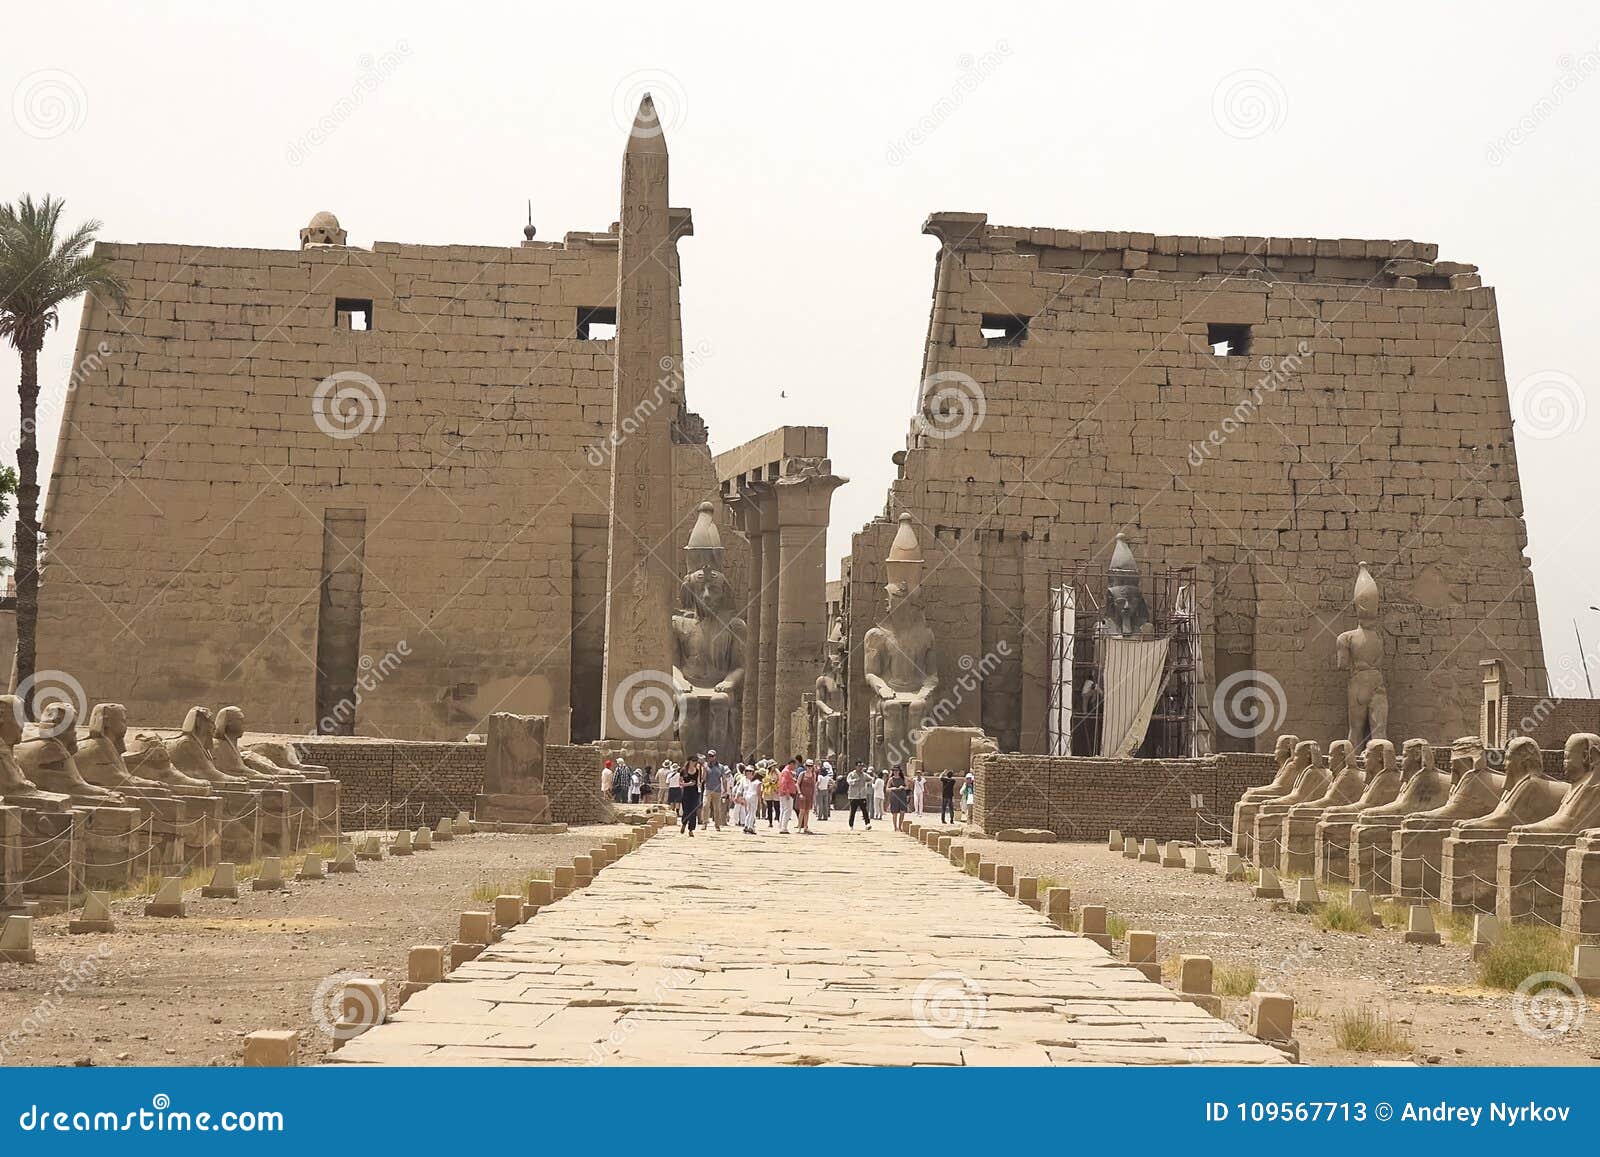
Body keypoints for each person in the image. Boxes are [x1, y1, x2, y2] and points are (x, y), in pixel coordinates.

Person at [703, 749, 726, 832]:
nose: (710, 757)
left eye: (712, 756)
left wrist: (725, 789)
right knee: (705, 805)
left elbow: (723, 779)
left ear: (715, 757)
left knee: (717, 808)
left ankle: (717, 825)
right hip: (708, 789)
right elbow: (704, 779)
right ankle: (704, 823)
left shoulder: (721, 767)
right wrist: (705, 770)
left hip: (717, 790)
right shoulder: (706, 766)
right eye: (709, 756)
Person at [679, 757, 703, 836]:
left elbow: (699, 781)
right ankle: (684, 823)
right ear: (689, 761)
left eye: (695, 761)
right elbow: (680, 783)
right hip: (686, 792)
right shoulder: (683, 771)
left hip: (695, 793)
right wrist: (688, 784)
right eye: (693, 761)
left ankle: (691, 829)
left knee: (693, 811)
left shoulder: (697, 771)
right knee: (686, 810)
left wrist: (699, 784)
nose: (694, 762)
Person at [846, 763, 872, 829]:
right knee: (853, 811)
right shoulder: (851, 774)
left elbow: (871, 779)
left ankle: (867, 824)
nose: (860, 768)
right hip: (853, 796)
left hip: (862, 795)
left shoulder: (864, 775)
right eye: (859, 766)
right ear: (856, 767)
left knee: (864, 810)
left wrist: (868, 781)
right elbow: (849, 781)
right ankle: (851, 825)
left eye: (861, 766)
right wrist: (855, 780)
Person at [796, 759, 817, 834]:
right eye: (808, 766)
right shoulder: (802, 774)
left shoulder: (813, 775)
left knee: (807, 811)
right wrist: (799, 793)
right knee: (801, 811)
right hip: (802, 794)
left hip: (809, 795)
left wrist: (814, 796)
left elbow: (814, 785)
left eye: (811, 766)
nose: (809, 768)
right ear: (805, 766)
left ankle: (805, 827)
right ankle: (799, 827)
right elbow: (797, 784)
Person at [742, 765, 762, 834]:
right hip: (753, 797)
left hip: (748, 796)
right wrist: (760, 801)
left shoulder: (751, 781)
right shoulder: (758, 782)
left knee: (749, 812)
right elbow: (758, 792)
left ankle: (746, 826)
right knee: (752, 812)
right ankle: (750, 827)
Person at [888, 765, 910, 831]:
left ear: (899, 771)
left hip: (902, 796)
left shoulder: (903, 778)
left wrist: (903, 787)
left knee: (902, 812)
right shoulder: (891, 779)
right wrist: (892, 788)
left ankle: (900, 826)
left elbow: (907, 787)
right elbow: (887, 789)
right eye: (894, 770)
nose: (895, 772)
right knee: (895, 813)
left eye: (897, 770)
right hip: (894, 797)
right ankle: (895, 827)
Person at [762, 762, 780, 827]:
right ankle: (770, 822)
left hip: (775, 791)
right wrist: (769, 783)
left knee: (777, 807)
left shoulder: (777, 772)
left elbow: (780, 780)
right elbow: (764, 783)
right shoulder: (766, 773)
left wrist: (777, 786)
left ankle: (779, 821)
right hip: (768, 791)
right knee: (769, 807)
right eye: (773, 766)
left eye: (775, 766)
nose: (774, 767)